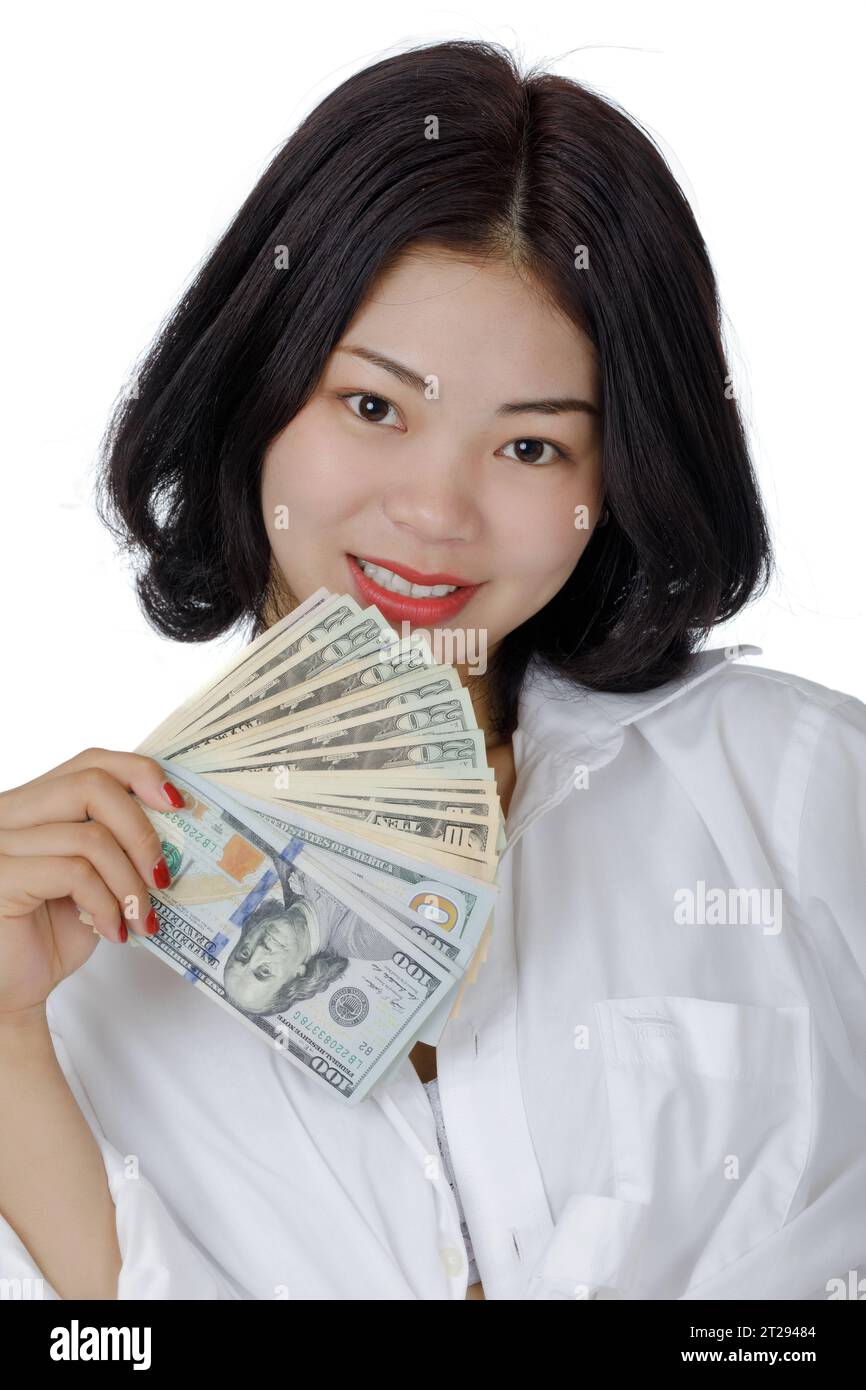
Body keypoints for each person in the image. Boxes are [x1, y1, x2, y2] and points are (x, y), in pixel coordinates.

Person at [1, 38, 864, 1303]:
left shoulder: (796, 792)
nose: (433, 514)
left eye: (527, 447)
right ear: (258, 395)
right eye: (372, 408)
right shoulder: (70, 950)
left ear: (615, 481)